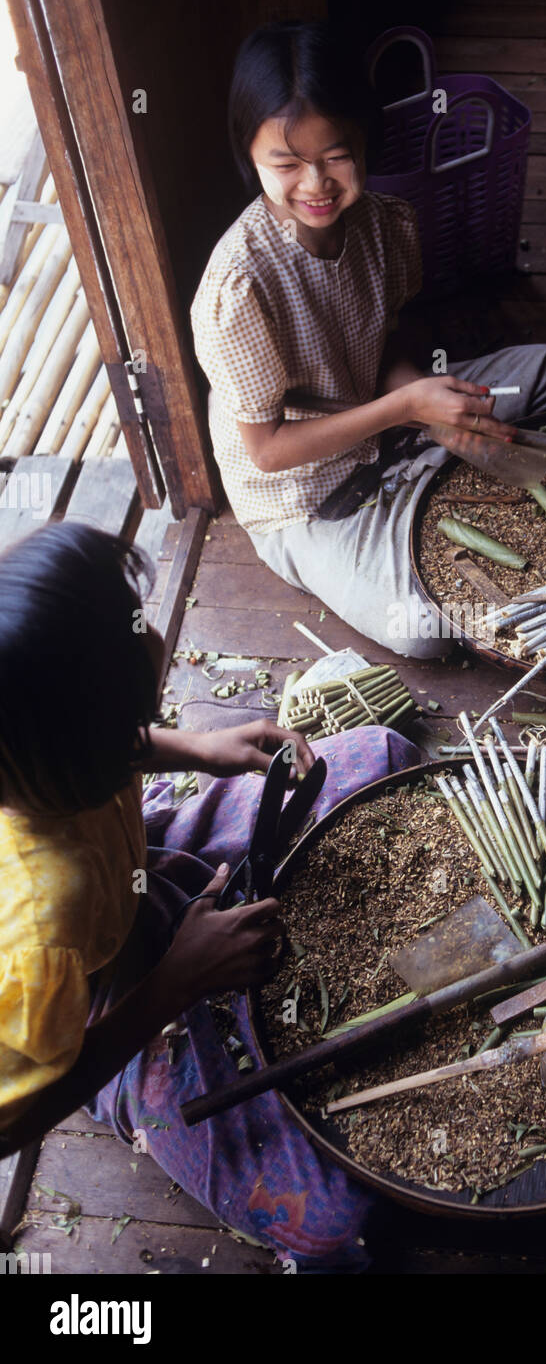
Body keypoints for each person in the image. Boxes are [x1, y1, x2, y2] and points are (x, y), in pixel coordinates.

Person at [0, 521, 421, 1270]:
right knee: (339, 1225)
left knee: (382, 757)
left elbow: (109, 742)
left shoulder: (42, 748)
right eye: (130, 712)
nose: (152, 636)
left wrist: (193, 748)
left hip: (143, 865)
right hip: (111, 1004)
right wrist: (177, 982)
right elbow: (14, 1117)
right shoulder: (42, 923)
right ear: (81, 748)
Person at [191, 19, 546, 659]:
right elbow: (269, 451)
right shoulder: (240, 287)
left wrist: (425, 402)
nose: (316, 184)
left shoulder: (384, 224)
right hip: (306, 497)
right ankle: (416, 488)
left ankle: (426, 470)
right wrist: (410, 409)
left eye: (336, 156)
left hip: (387, 427)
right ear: (248, 158)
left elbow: (384, 341)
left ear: (367, 140)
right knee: (423, 628)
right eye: (286, 163)